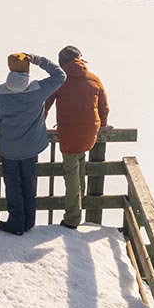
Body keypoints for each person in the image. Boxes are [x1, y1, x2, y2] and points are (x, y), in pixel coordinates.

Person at [0, 52, 66, 236]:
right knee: (28, 183)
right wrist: (39, 60)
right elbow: (60, 76)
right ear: (28, 68)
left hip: (9, 149)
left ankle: (16, 222)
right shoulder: (38, 89)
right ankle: (29, 221)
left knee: (13, 184)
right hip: (31, 147)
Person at [44, 45, 110, 230]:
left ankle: (73, 218)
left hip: (69, 133)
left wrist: (40, 123)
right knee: (80, 163)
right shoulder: (94, 78)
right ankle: (80, 205)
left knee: (71, 173)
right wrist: (102, 126)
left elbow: (46, 103)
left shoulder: (59, 80)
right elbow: (104, 107)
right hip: (90, 132)